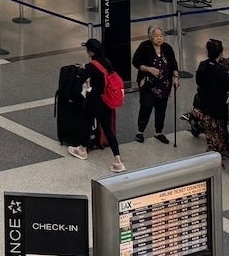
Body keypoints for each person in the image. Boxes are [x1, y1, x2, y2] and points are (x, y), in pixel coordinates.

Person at [70, 39, 125, 172]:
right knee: (107, 128)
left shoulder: (91, 65)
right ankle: (117, 159)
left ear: (91, 51)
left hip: (94, 99)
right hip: (106, 100)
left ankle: (82, 149)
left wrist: (80, 71)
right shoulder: (106, 62)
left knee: (86, 122)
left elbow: (81, 79)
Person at [191, 39, 229, 162]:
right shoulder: (220, 70)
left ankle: (212, 152)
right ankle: (216, 157)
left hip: (205, 106)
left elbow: (199, 82)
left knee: (210, 133)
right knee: (219, 133)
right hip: (218, 109)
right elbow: (228, 84)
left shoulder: (203, 65)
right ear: (220, 53)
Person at [131, 25, 179, 144]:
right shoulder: (145, 46)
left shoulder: (167, 48)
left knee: (161, 108)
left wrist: (176, 77)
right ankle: (140, 131)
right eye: (156, 36)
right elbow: (136, 62)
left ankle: (159, 132)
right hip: (148, 84)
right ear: (150, 37)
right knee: (146, 106)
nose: (159, 38)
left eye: (161, 36)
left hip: (164, 84)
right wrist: (148, 69)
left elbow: (173, 63)